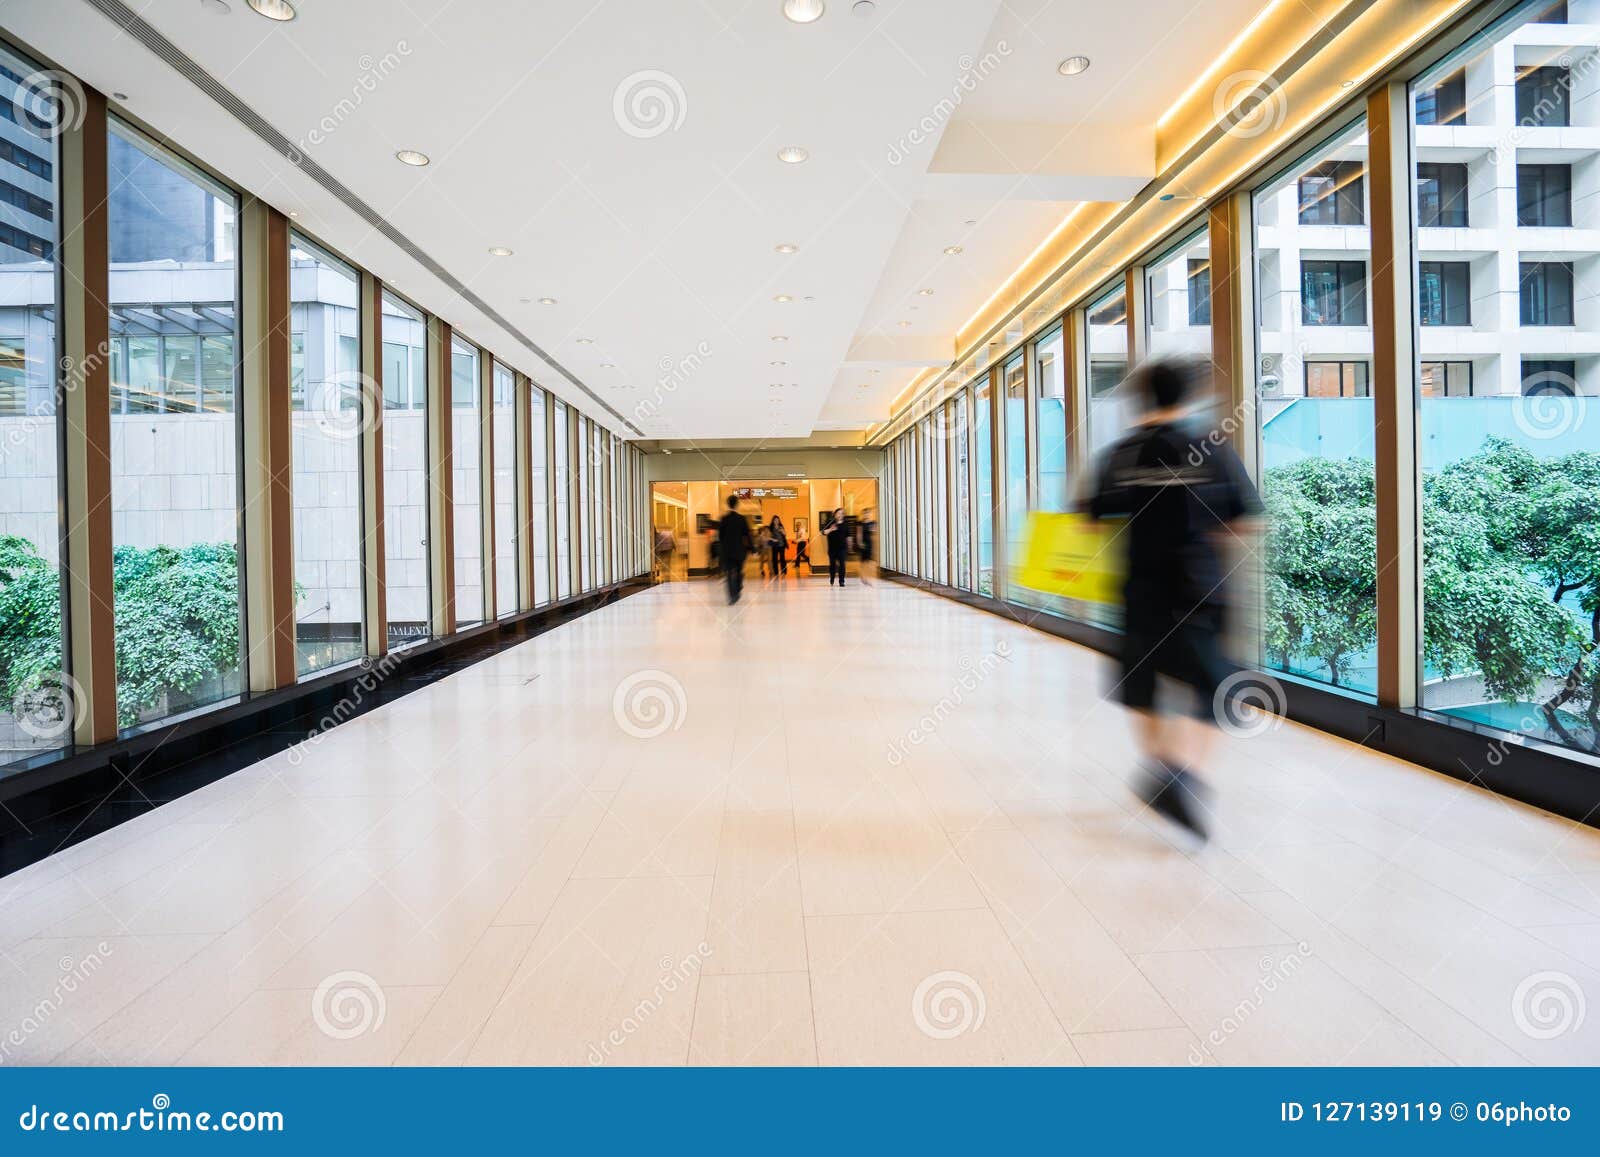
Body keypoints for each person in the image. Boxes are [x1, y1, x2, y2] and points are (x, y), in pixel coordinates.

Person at [1086, 358, 1261, 842]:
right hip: (1200, 593)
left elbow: (1089, 519)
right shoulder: (1212, 448)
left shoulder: (1120, 454)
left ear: (1142, 398)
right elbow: (1245, 520)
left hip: (1139, 590)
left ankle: (1163, 767)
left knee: (1142, 687)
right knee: (1217, 692)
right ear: (1189, 396)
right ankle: (1184, 773)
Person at [717, 496, 754, 605]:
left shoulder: (724, 519)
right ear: (737, 505)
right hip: (739, 551)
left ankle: (732, 596)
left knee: (729, 573)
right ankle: (738, 587)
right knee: (738, 571)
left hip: (727, 551)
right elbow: (747, 535)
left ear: (728, 504)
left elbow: (720, 536)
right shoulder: (741, 519)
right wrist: (753, 548)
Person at [824, 507, 850, 587]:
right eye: (838, 513)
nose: (840, 515)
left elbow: (848, 536)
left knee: (842, 564)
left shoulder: (846, 524)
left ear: (843, 515)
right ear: (835, 514)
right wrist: (831, 529)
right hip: (832, 548)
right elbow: (823, 532)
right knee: (832, 565)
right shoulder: (829, 522)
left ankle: (841, 581)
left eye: (842, 513)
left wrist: (850, 546)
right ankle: (832, 578)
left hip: (842, 548)